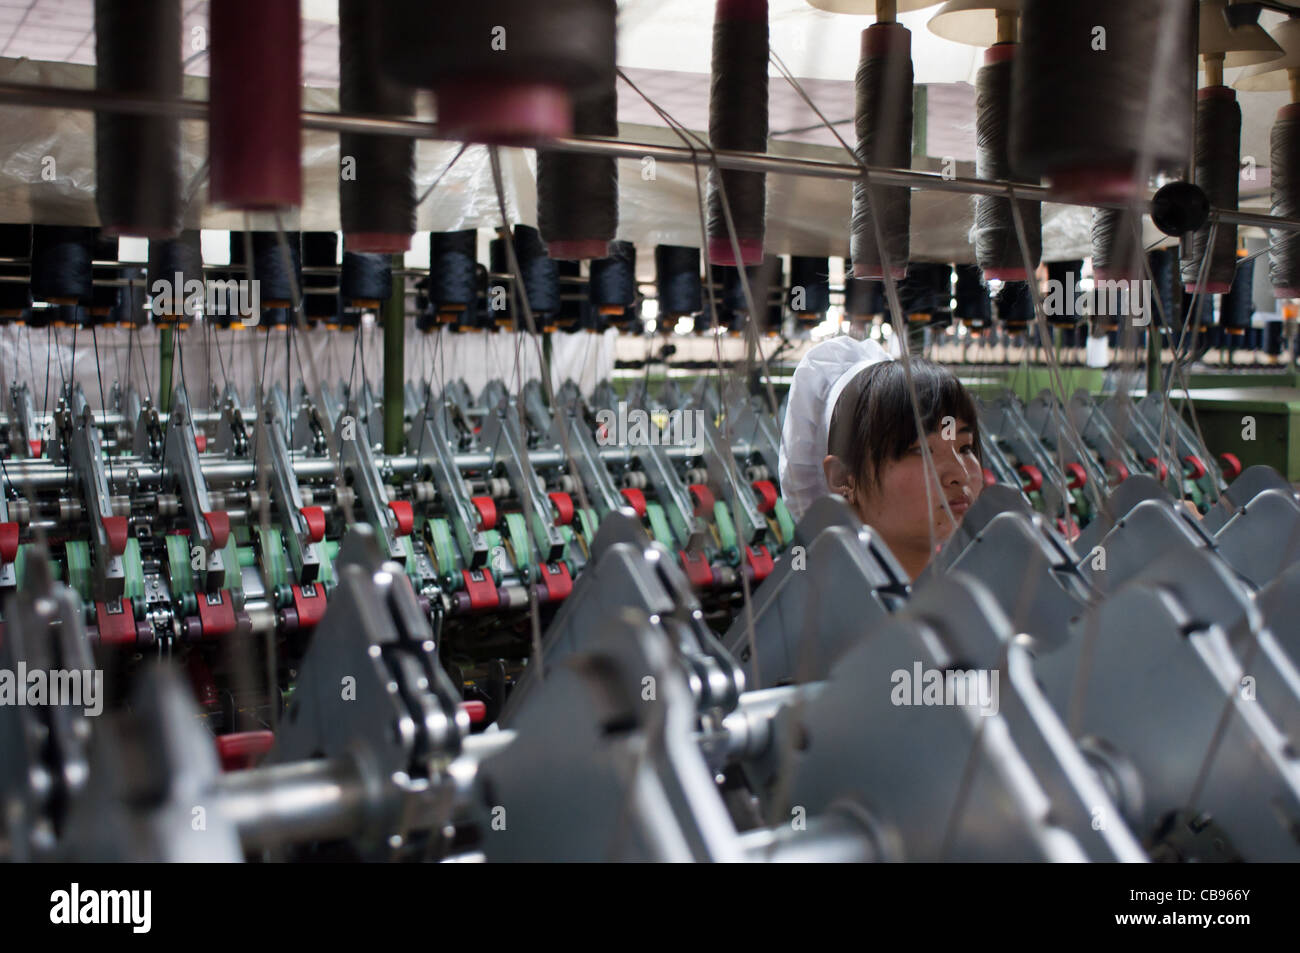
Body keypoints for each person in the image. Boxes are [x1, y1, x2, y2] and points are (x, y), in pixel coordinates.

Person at [778, 335, 984, 580]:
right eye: (923, 451)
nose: (960, 475)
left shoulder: (967, 595)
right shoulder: (821, 613)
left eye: (965, 448)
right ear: (843, 478)